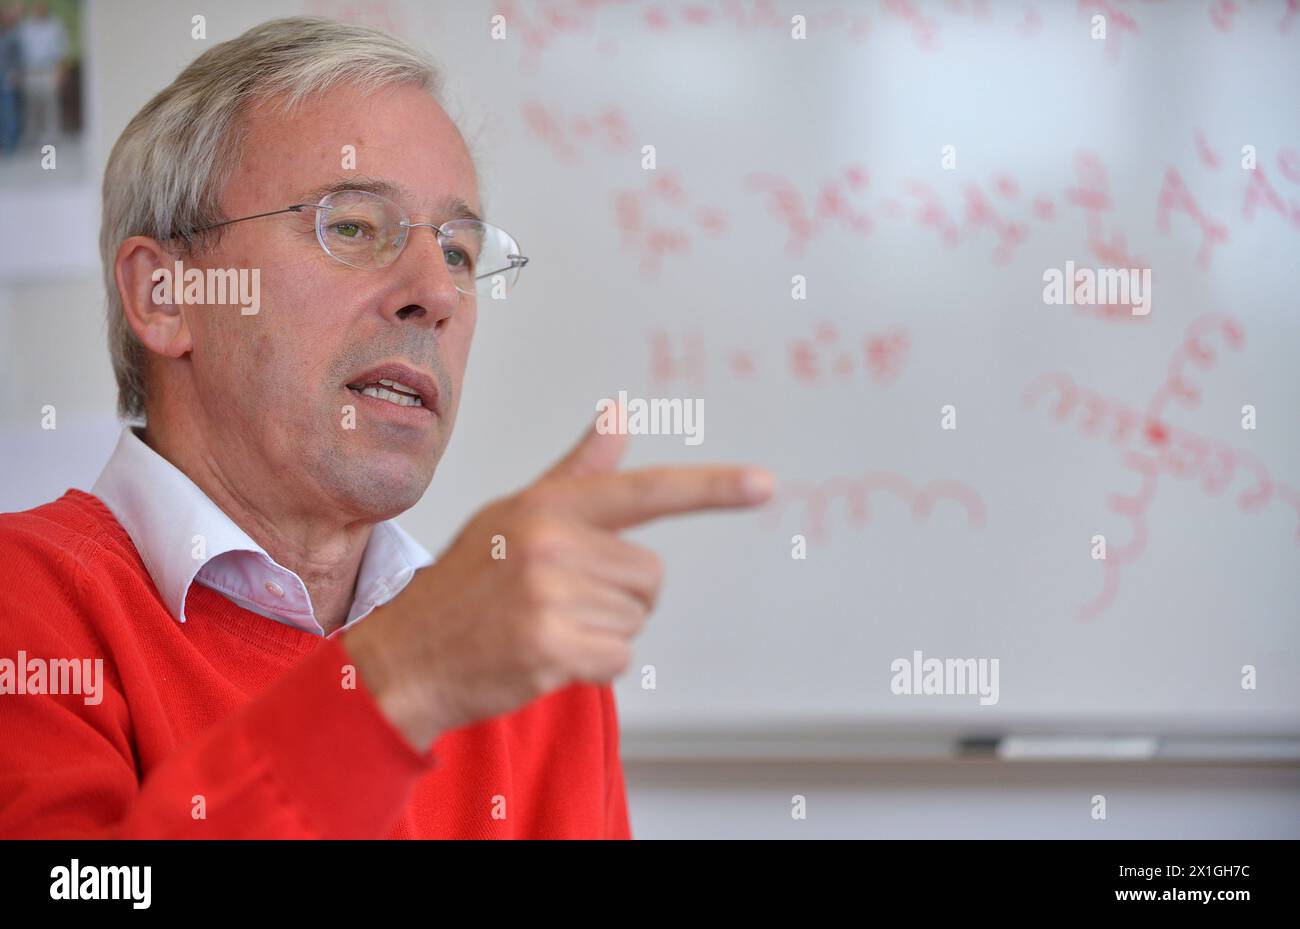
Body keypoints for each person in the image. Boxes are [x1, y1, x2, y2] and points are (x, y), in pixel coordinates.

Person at [0, 16, 773, 838]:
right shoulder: (26, 606)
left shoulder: (530, 665)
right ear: (166, 295)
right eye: (354, 227)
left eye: (461, 253)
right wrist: (405, 679)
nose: (435, 293)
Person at [16, 1, 66, 143]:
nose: (39, 9)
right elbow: (19, 50)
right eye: (37, 7)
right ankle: (32, 137)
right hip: (30, 71)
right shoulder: (25, 27)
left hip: (48, 69)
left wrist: (60, 73)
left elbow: (61, 52)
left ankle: (52, 137)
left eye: (42, 6)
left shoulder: (55, 26)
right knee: (31, 106)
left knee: (51, 106)